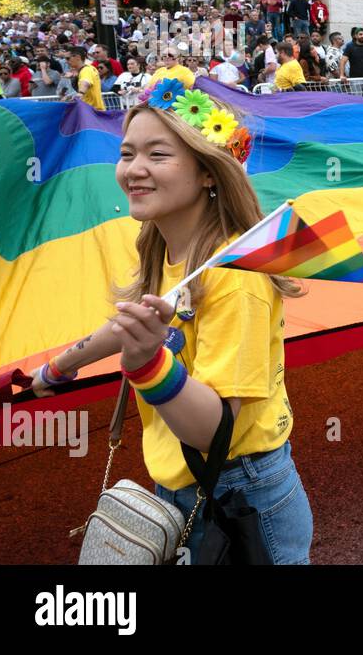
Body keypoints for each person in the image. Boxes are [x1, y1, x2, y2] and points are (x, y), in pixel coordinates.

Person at [28, 87, 314, 563]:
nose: (133, 169)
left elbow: (214, 431)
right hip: (180, 482)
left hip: (239, 491)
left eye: (157, 155)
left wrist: (147, 366)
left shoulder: (233, 277)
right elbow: (129, 324)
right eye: (126, 153)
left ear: (208, 172)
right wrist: (58, 369)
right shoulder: (164, 247)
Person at [71, 46, 105, 110]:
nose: (66, 61)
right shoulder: (87, 68)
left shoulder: (86, 70)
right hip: (91, 111)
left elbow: (85, 82)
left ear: (78, 57)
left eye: (68, 58)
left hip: (92, 113)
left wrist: (80, 93)